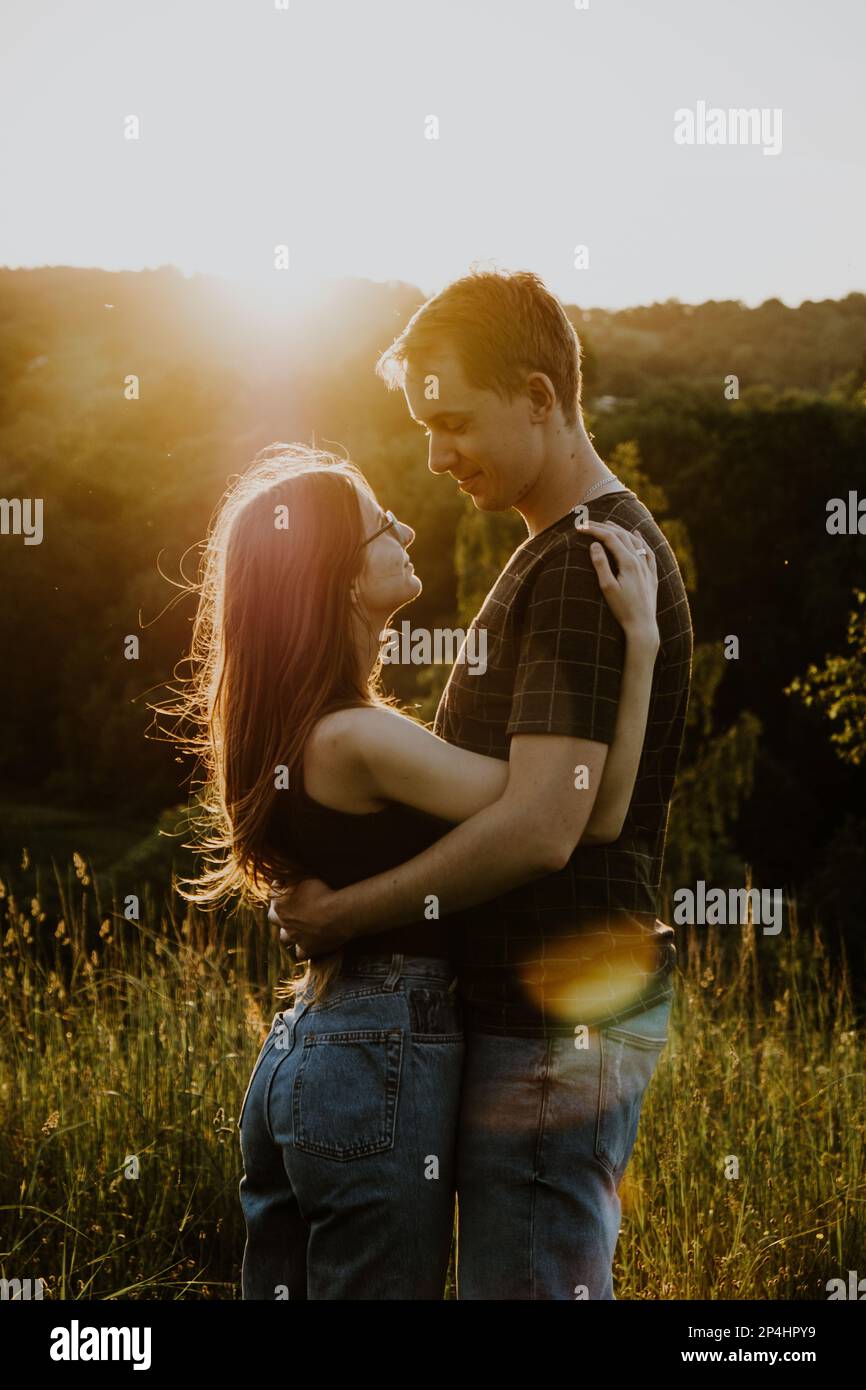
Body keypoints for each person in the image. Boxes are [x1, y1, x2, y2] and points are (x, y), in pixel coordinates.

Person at [270, 269, 694, 1300]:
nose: (435, 455)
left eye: (453, 421)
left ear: (540, 398)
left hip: (549, 1026)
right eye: (425, 427)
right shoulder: (560, 556)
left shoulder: (580, 566)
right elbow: (585, 809)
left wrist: (342, 916)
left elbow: (546, 828)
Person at [166, 435, 661, 1299]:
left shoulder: (311, 729)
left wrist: (643, 648)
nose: (408, 533)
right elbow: (570, 815)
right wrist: (641, 649)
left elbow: (570, 814)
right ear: (343, 580)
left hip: (309, 1051)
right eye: (382, 526)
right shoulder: (360, 737)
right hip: (370, 1059)